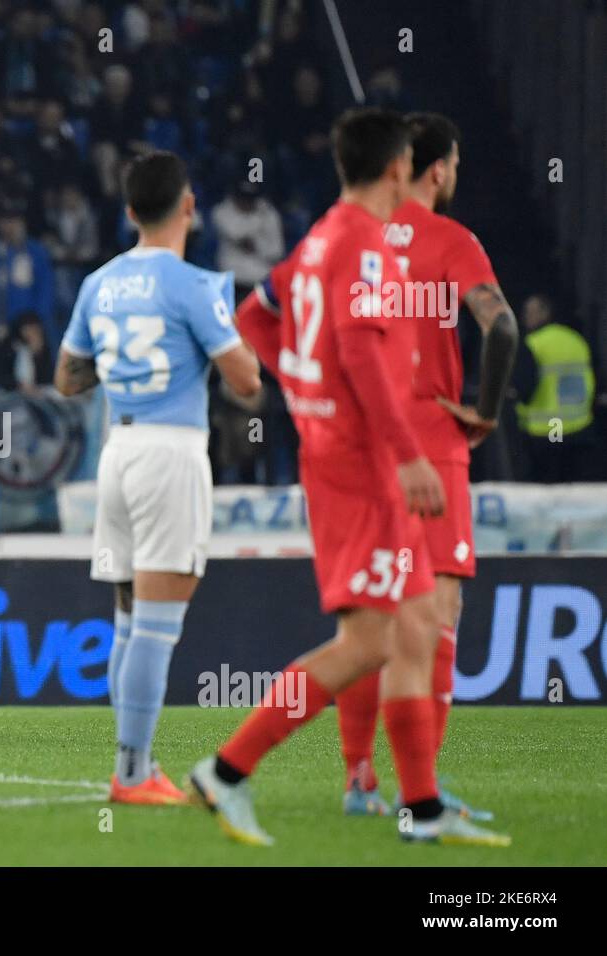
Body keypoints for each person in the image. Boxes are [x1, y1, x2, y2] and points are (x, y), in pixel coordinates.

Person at [189, 108, 510, 847]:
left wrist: (302, 394)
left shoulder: (320, 239)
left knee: (418, 624)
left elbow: (255, 315)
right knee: (369, 641)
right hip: (364, 465)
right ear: (400, 169)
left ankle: (421, 807)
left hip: (344, 452)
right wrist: (405, 452)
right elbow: (362, 356)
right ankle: (227, 771)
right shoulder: (363, 245)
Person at [54, 150, 260, 805]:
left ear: (128, 212)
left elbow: (67, 379)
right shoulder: (194, 285)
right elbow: (247, 381)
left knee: (127, 620)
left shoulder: (100, 283)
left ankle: (132, 765)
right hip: (171, 453)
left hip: (118, 453)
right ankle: (134, 773)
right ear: (190, 206)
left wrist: (121, 371)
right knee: (157, 626)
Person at [336, 112, 517, 819]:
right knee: (438, 611)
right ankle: (425, 792)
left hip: (363, 444)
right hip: (435, 446)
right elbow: (500, 324)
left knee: (373, 618)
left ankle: (359, 779)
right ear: (437, 169)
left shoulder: (358, 239)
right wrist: (488, 409)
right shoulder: (452, 241)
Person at [513, 294, 597, 481]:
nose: (526, 316)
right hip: (580, 425)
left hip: (552, 428)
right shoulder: (575, 339)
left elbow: (525, 387)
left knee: (551, 485)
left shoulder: (533, 343)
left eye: (531, 311)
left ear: (546, 312)